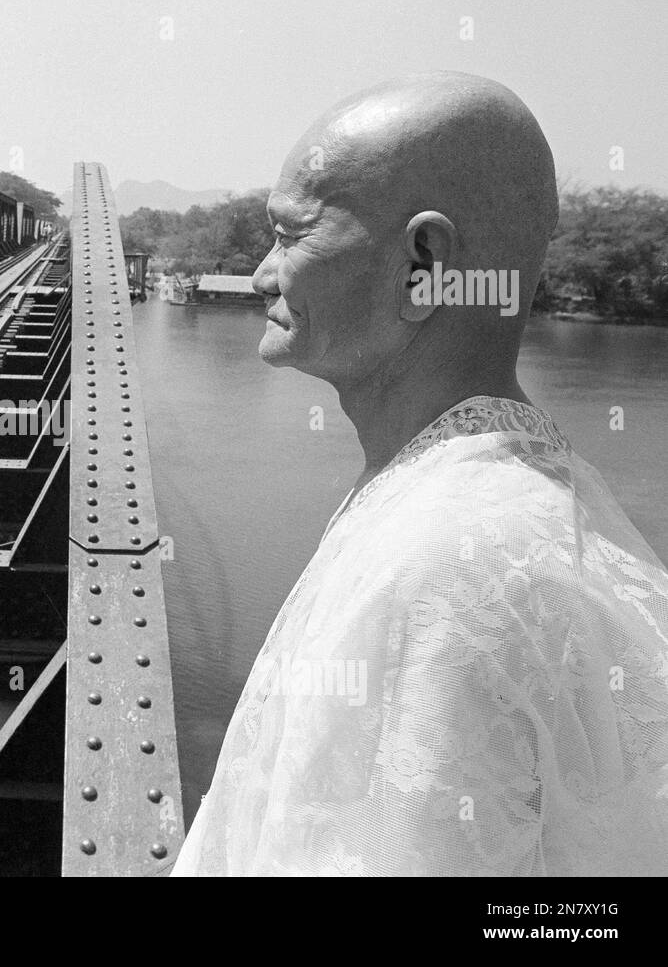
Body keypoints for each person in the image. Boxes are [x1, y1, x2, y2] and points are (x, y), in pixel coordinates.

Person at [172, 71, 668, 876]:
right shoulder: (545, 501)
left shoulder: (431, 575)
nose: (261, 275)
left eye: (290, 236)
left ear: (424, 266)